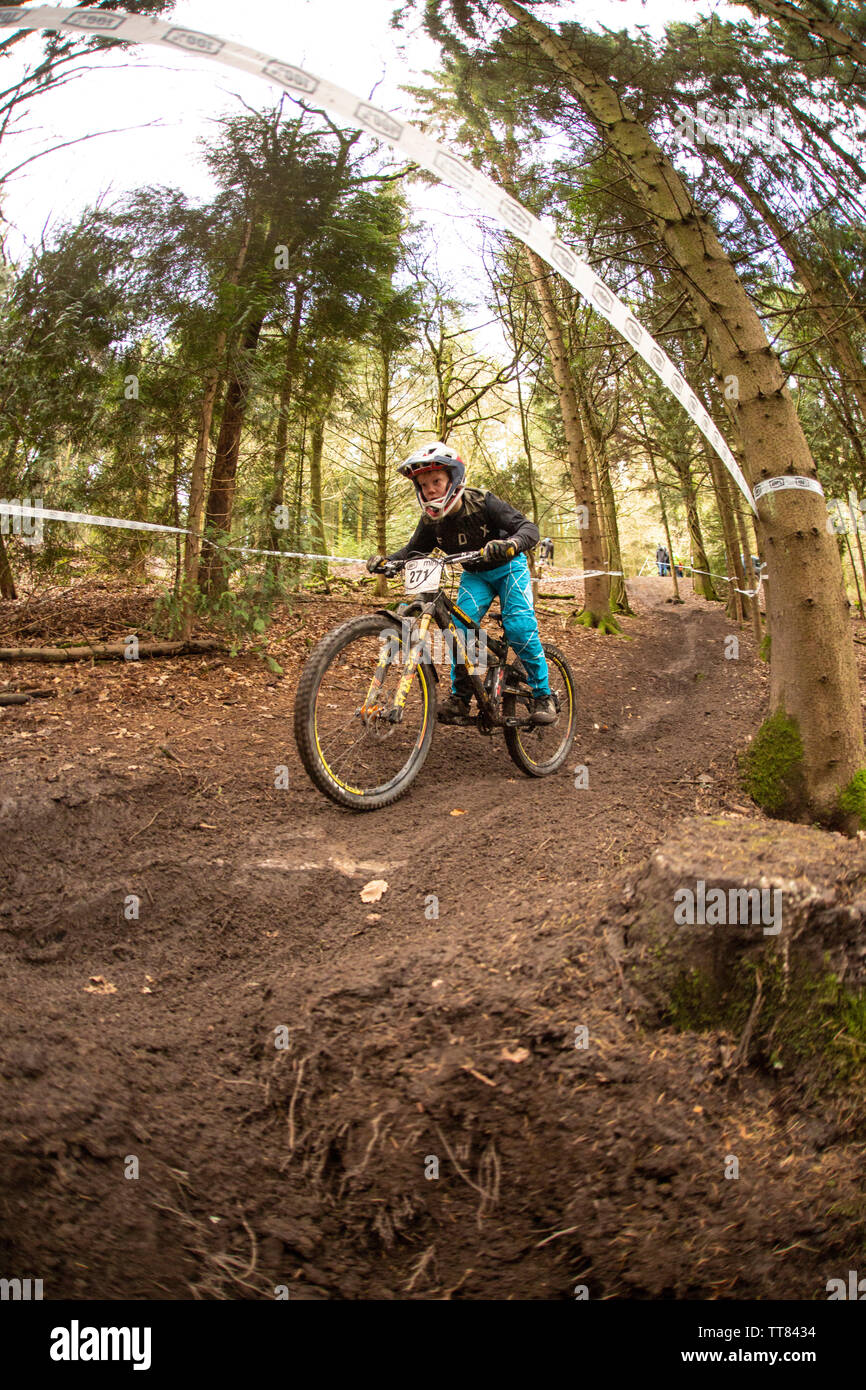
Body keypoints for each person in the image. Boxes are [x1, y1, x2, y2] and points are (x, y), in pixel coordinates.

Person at [366, 442, 556, 724]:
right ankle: (461, 698)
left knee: (518, 626)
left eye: (437, 481)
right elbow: (414, 552)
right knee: (460, 633)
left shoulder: (483, 502)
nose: (430, 489)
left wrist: (511, 544)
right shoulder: (431, 522)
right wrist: (387, 562)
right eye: (423, 484)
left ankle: (543, 695)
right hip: (475, 575)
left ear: (453, 480)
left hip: (509, 568)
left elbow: (529, 528)